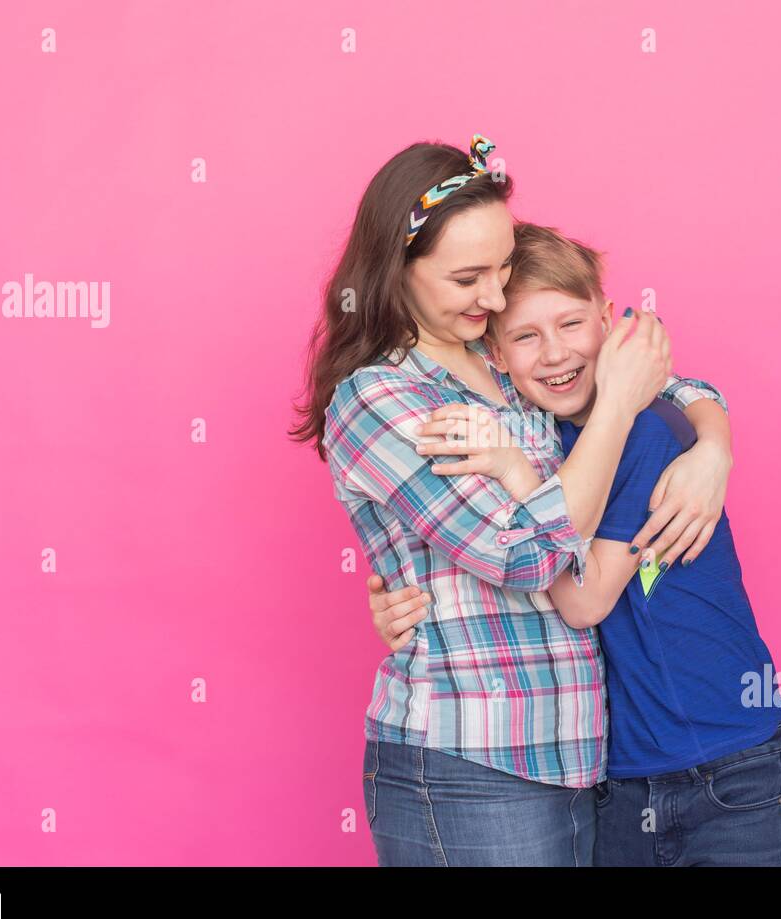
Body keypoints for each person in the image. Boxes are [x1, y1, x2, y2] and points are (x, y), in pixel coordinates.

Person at [292, 134, 735, 866]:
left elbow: (639, 385)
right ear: (396, 269)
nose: (495, 298)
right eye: (469, 279)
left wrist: (713, 442)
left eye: (502, 270)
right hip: (472, 758)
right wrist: (619, 409)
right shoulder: (382, 397)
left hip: (578, 755)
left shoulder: (496, 363)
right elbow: (527, 556)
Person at [368, 222, 781, 866]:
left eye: (571, 325)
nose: (552, 354)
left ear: (608, 322)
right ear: (494, 350)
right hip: (619, 774)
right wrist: (408, 601)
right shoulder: (548, 439)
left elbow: (582, 601)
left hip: (730, 763)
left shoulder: (642, 433)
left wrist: (712, 442)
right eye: (524, 336)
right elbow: (477, 544)